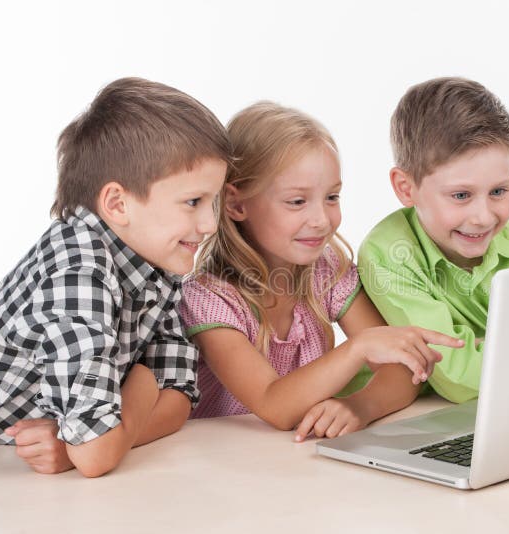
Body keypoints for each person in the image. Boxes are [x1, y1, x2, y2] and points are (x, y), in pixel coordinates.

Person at [0, 77, 231, 477]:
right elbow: (96, 457)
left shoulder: (156, 260)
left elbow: (178, 400)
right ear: (117, 203)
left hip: (25, 457)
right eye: (193, 202)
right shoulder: (79, 273)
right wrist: (144, 385)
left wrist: (84, 440)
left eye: (212, 202)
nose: (210, 223)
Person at [180, 101, 462, 441]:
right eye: (297, 201)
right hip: (218, 463)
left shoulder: (325, 271)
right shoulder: (207, 300)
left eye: (332, 197)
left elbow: (405, 371)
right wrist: (359, 348)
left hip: (297, 461)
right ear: (237, 204)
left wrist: (361, 406)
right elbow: (275, 404)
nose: (322, 219)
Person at [354, 77, 509, 403]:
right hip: (412, 414)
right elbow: (455, 379)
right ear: (406, 188)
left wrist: (484, 348)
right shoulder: (389, 254)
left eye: (498, 191)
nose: (483, 216)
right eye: (460, 195)